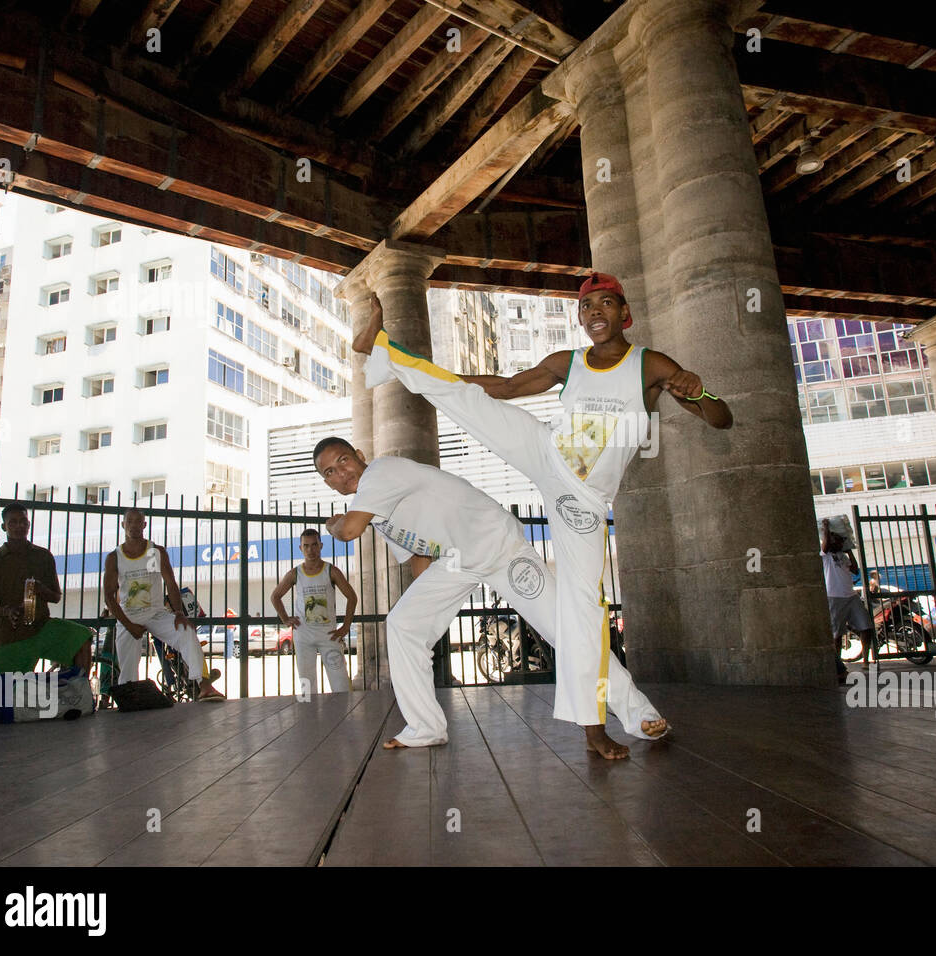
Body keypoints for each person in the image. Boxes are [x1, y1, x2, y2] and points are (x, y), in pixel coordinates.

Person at [351, 272, 728, 757]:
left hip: (582, 502)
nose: (595, 313)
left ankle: (596, 725)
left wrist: (697, 392)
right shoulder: (565, 362)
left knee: (581, 610)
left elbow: (722, 419)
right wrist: (447, 381)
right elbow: (505, 388)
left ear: (623, 312)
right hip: (547, 453)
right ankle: (387, 354)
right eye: (587, 306)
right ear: (580, 316)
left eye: (606, 304)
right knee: (471, 403)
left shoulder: (649, 365)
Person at [316, 437, 667, 757]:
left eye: (343, 460)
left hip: (500, 548)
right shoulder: (377, 514)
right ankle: (425, 727)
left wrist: (333, 525)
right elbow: (419, 561)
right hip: (458, 561)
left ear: (361, 457)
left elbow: (347, 530)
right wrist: (430, 606)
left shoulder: (381, 472)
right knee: (404, 623)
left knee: (566, 631)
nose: (339, 472)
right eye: (329, 472)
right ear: (327, 482)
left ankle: (640, 714)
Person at [103, 508, 224, 700]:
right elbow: (109, 596)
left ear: (144, 525)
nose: (134, 525)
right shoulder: (114, 557)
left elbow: (170, 582)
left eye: (138, 522)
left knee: (186, 632)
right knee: (127, 670)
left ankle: (204, 685)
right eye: (130, 521)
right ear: (123, 525)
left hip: (157, 614)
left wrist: (178, 612)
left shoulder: (156, 551)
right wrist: (128, 624)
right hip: (129, 616)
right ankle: (129, 698)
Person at [0, 503, 92, 675]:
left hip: (42, 628)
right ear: (3, 527)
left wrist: (40, 589)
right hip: (9, 635)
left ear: (28, 525)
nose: (19, 526)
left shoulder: (43, 556)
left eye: (23, 521)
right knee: (9, 694)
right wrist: (7, 611)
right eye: (13, 522)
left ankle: (79, 690)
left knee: (81, 636)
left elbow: (56, 597)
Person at [270, 529, 355, 696]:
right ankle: (306, 716)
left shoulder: (331, 571)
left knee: (341, 682)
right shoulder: (296, 573)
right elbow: (275, 596)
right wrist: (285, 619)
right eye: (306, 546)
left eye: (314, 545)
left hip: (329, 635)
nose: (311, 550)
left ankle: (347, 714)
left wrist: (345, 626)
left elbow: (352, 597)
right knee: (306, 684)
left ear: (321, 546)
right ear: (300, 548)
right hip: (303, 636)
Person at [822, 520, 875, 671]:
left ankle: (865, 660)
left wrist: (849, 549)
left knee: (866, 627)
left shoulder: (842, 556)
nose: (839, 543)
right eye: (837, 540)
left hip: (851, 596)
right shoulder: (825, 556)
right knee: (836, 634)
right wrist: (826, 529)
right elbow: (825, 546)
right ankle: (837, 665)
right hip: (834, 596)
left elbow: (855, 569)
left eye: (841, 540)